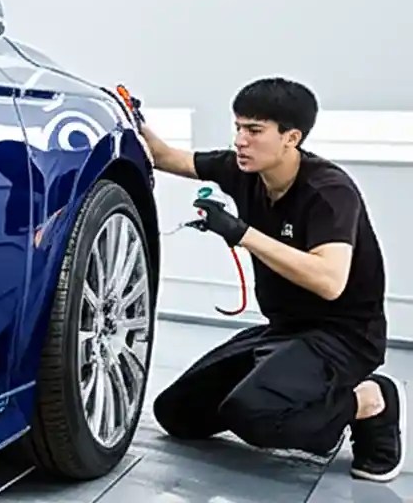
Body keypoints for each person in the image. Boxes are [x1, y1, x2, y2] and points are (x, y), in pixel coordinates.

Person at [137, 77, 404, 482]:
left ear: (290, 137)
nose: (241, 140)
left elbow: (329, 280)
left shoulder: (329, 191)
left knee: (255, 417)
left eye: (254, 130)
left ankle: (369, 400)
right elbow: (163, 156)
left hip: (344, 337)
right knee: (176, 414)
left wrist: (242, 233)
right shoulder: (242, 170)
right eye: (239, 127)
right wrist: (130, 115)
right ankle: (296, 391)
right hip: (283, 330)